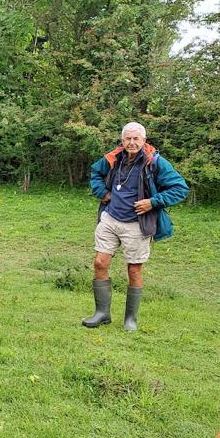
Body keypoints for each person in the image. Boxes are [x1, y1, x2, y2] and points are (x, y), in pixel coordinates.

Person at [84, 122, 189, 331]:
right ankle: (102, 313)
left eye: (136, 139)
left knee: (133, 269)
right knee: (99, 262)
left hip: (136, 224)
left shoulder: (155, 162)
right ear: (122, 141)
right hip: (110, 218)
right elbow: (95, 174)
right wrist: (103, 193)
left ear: (143, 140)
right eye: (128, 139)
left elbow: (180, 188)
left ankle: (130, 320)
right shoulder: (113, 157)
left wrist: (153, 201)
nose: (131, 143)